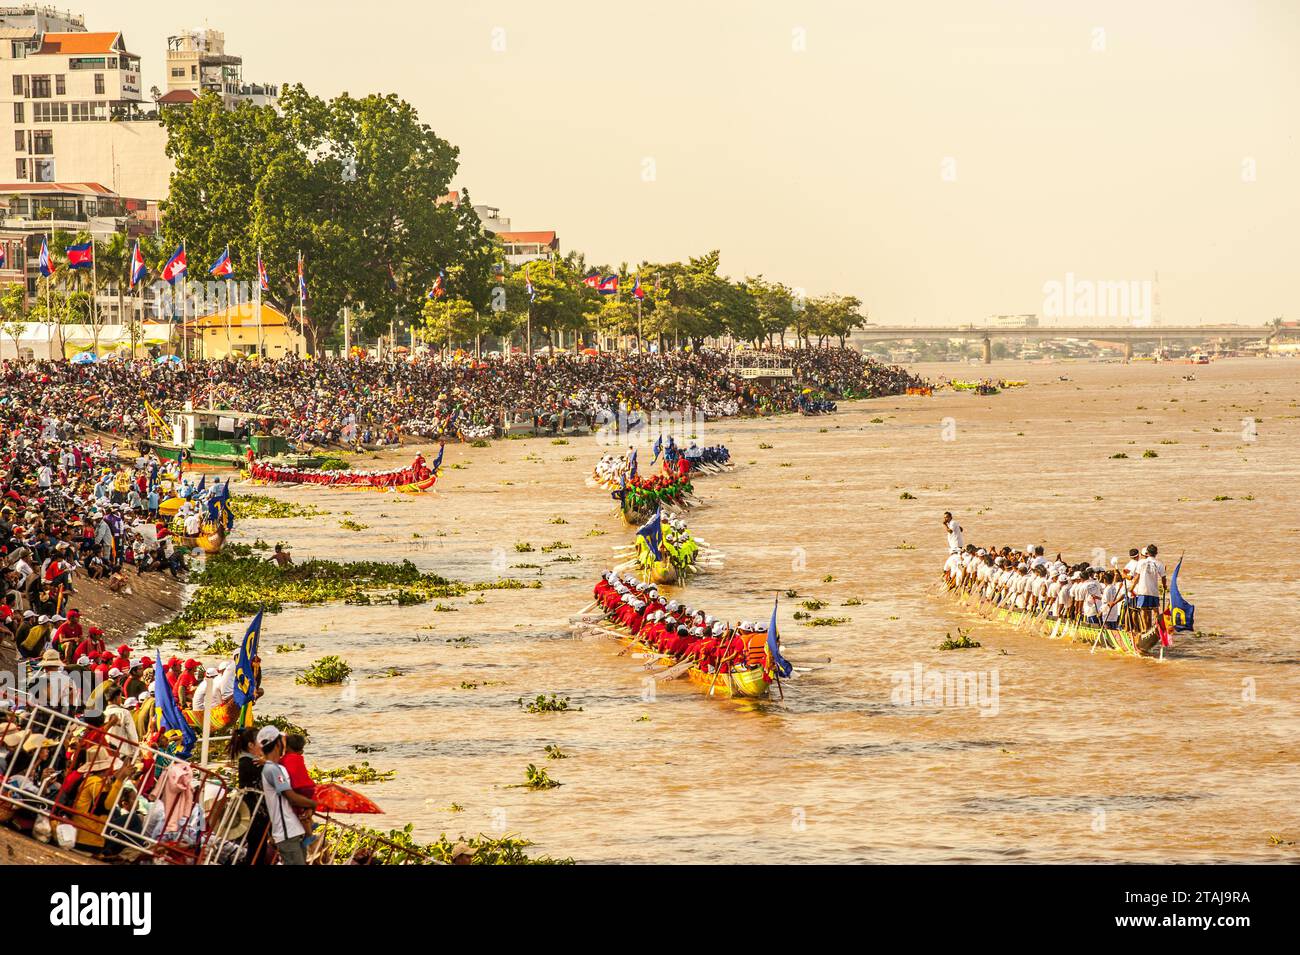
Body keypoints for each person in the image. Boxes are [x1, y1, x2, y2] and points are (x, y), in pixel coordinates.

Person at [255, 725, 315, 865]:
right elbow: (291, 796)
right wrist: (312, 804)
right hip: (287, 832)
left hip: (294, 830)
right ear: (277, 744)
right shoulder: (272, 769)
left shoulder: (278, 767)